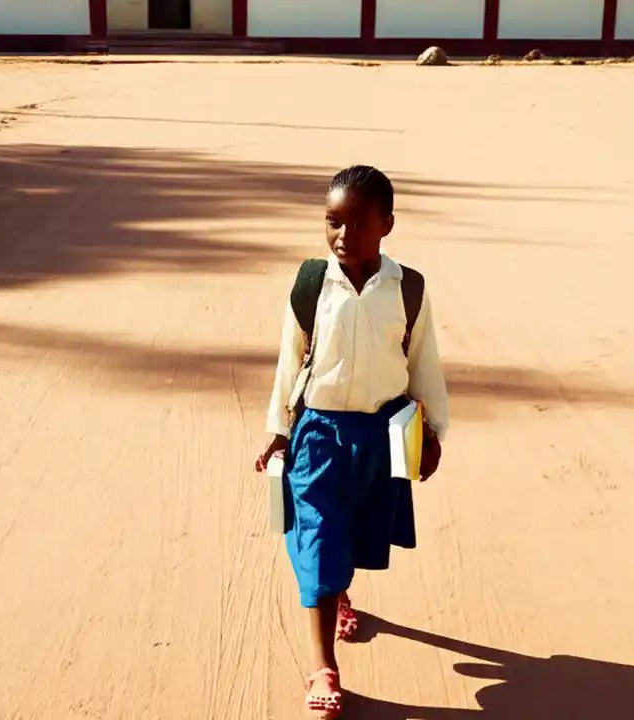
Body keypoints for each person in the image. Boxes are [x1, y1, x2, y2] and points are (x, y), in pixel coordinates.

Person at [254, 165, 450, 718]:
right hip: (317, 435)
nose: (344, 234)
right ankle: (323, 669)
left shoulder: (407, 288)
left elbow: (423, 362)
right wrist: (278, 431)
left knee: (359, 531)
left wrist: (432, 430)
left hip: (379, 435)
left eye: (358, 223)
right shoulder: (312, 284)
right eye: (333, 222)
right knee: (317, 539)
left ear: (386, 224)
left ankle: (340, 589)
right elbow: (289, 362)